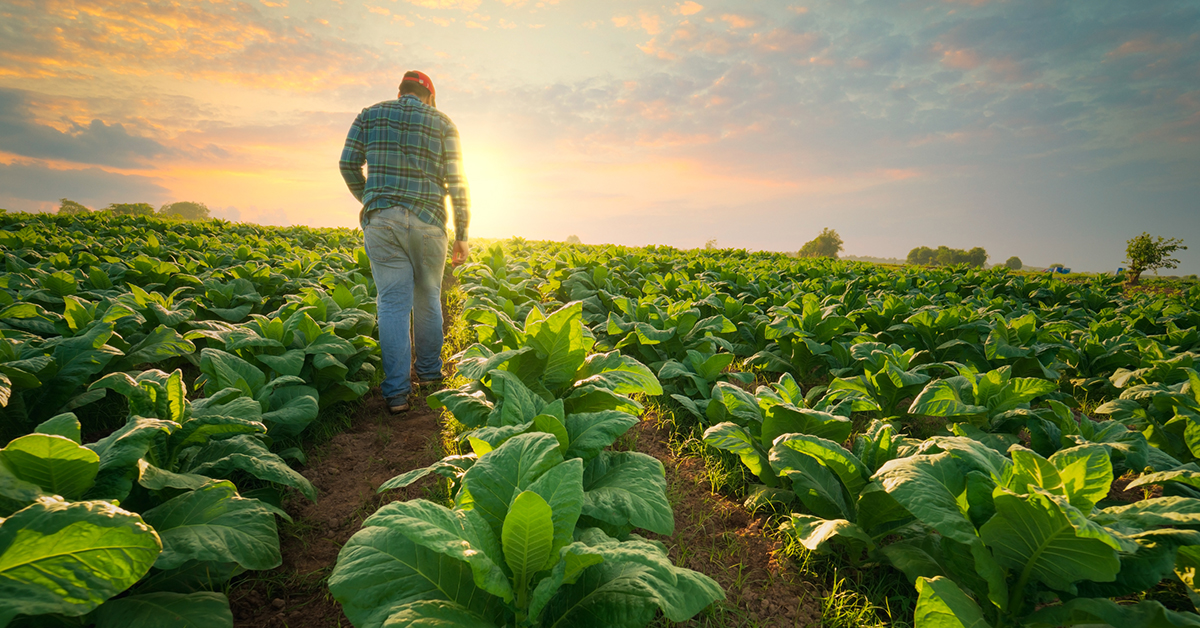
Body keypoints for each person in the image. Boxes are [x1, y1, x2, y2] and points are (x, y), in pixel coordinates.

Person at [339, 70, 470, 415]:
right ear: (430, 97)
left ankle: (397, 394)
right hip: (429, 221)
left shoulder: (369, 114)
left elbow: (347, 163)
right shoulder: (443, 122)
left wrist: (371, 198)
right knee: (428, 297)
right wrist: (462, 234)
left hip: (382, 220)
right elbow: (457, 182)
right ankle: (429, 376)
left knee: (393, 304)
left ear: (400, 92)